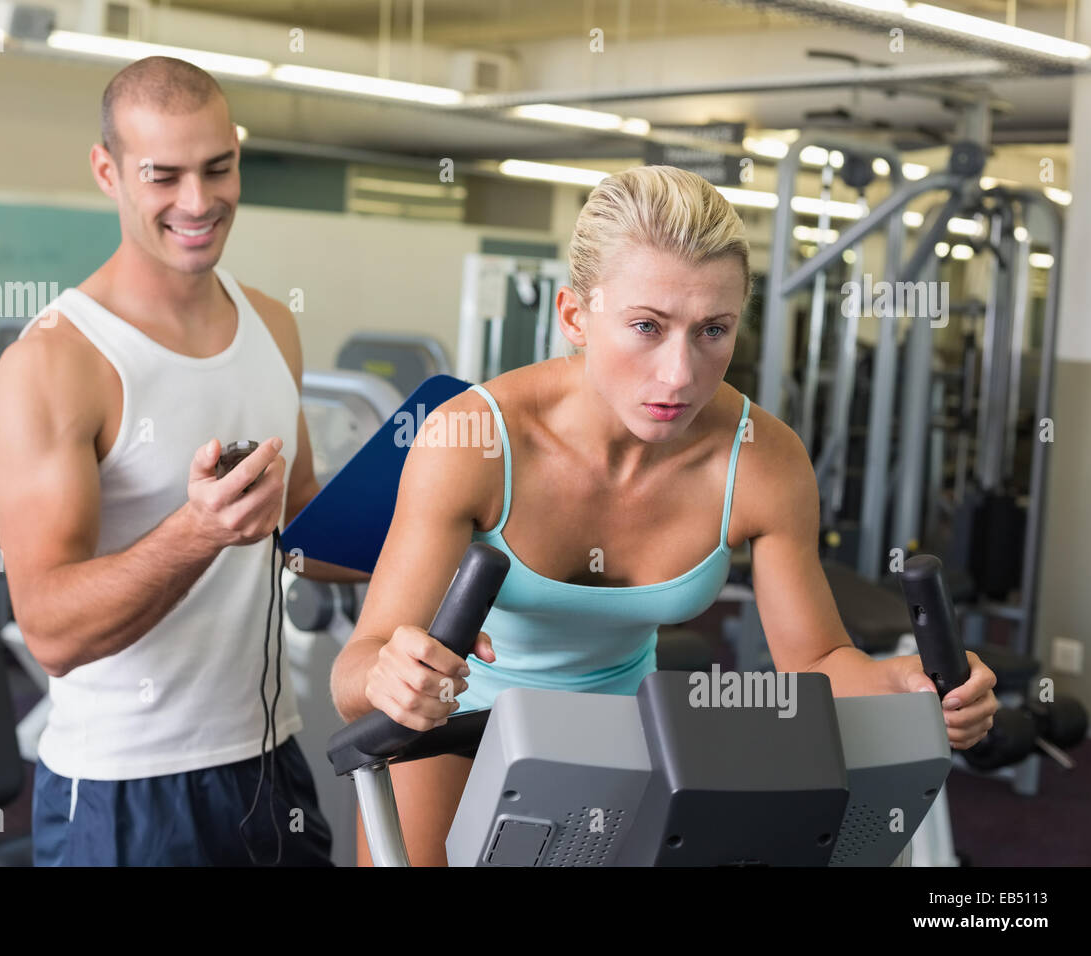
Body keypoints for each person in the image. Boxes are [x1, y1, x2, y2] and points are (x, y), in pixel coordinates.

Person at [330, 164, 999, 867]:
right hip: (453, 729)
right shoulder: (473, 442)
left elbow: (819, 661)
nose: (680, 374)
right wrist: (391, 676)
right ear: (574, 317)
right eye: (647, 326)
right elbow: (356, 673)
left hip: (624, 740)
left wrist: (905, 685)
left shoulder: (762, 460)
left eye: (713, 330)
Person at [0, 56, 364, 866]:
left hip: (268, 758)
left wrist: (450, 523)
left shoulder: (270, 324)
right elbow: (49, 628)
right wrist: (198, 531)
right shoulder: (55, 363)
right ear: (107, 171)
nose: (198, 202)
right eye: (164, 177)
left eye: (218, 169)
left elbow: (300, 522)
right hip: (127, 790)